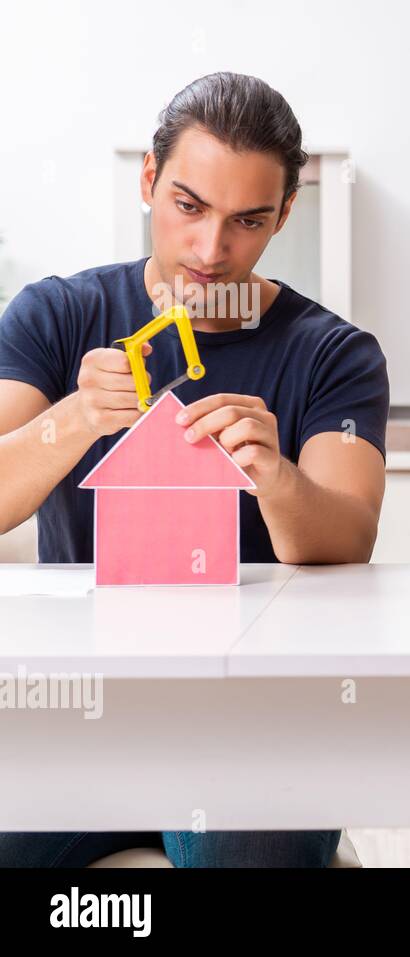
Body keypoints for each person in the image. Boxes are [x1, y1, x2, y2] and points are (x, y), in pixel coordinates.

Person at [0, 72, 389, 867]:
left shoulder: (335, 353)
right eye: (189, 207)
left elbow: (348, 538)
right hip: (82, 706)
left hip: (258, 716)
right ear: (148, 181)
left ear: (285, 214)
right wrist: (75, 417)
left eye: (248, 221)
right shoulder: (55, 316)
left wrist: (276, 474)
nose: (212, 251)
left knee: (241, 853)